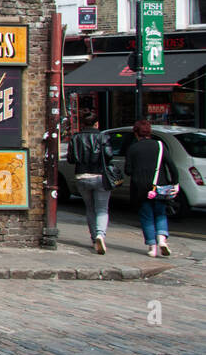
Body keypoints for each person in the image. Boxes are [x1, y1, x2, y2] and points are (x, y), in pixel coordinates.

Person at [66, 109, 119, 254]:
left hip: (82, 176)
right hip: (100, 176)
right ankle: (100, 235)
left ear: (83, 123)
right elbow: (108, 156)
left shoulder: (76, 138)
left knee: (90, 208)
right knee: (102, 209)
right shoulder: (102, 137)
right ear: (96, 123)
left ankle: (93, 237)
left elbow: (71, 158)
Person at [125, 120, 178, 258]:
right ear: (150, 132)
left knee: (146, 216)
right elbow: (171, 166)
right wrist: (175, 183)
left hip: (140, 188)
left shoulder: (133, 148)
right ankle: (162, 240)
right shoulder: (160, 146)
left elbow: (128, 170)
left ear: (136, 133)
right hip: (159, 186)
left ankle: (152, 247)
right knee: (160, 213)